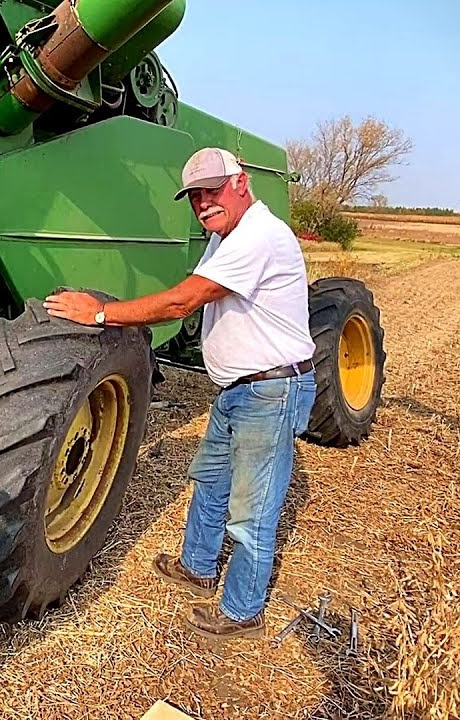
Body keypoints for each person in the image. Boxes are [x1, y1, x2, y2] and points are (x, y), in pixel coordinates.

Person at [43, 147, 317, 640]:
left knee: (252, 509)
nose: (203, 203)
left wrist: (100, 314)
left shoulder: (260, 236)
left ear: (241, 183)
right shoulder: (225, 236)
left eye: (212, 190)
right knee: (210, 481)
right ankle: (197, 566)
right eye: (194, 196)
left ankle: (243, 612)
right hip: (239, 388)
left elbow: (182, 301)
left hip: (271, 390)